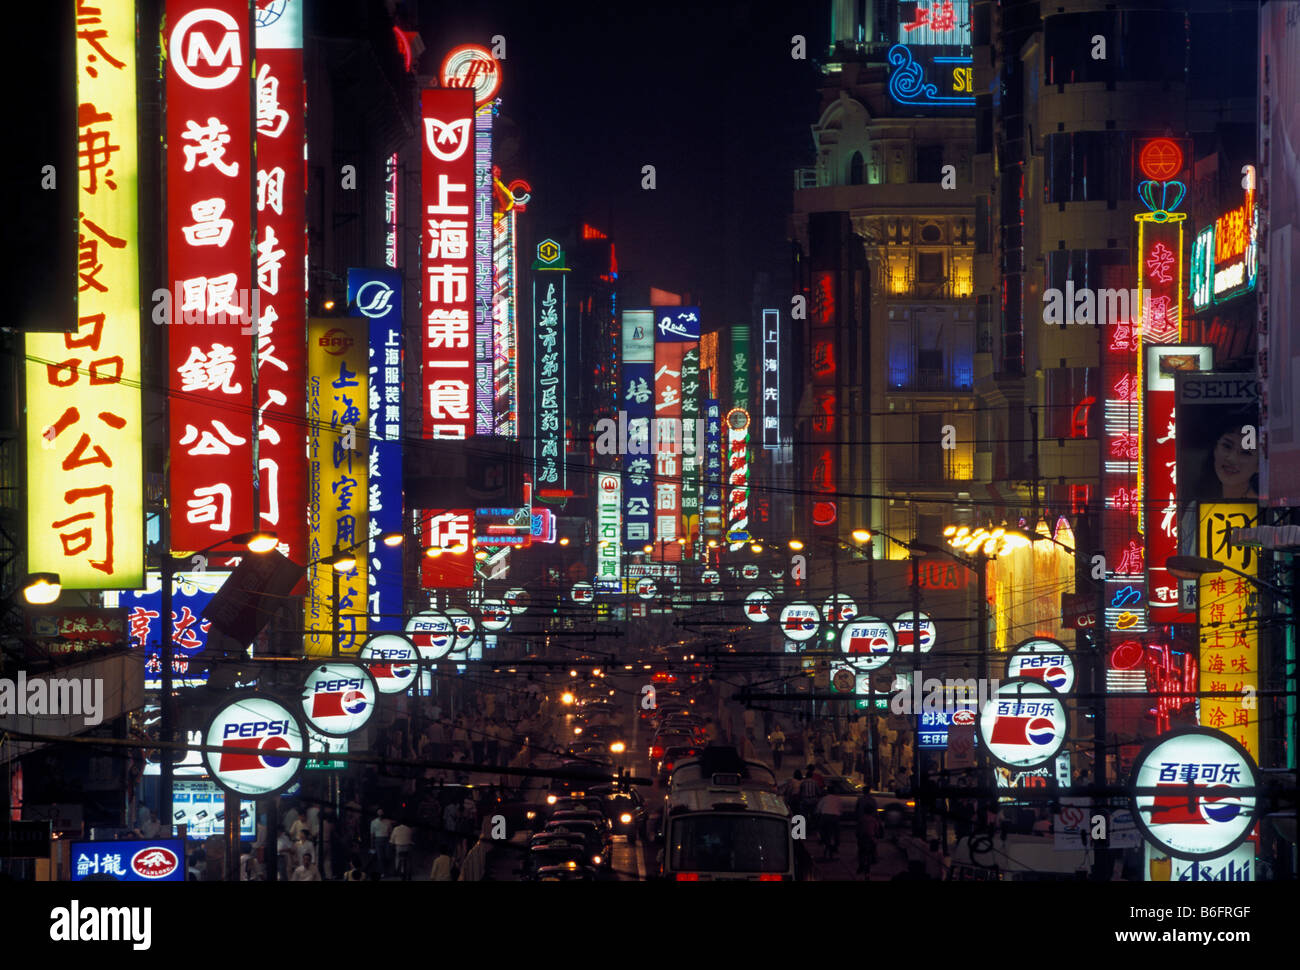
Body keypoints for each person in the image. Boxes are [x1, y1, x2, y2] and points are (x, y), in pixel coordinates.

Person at [857, 805, 884, 876]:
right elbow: (877, 831)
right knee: (872, 851)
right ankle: (873, 860)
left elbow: (858, 830)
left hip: (863, 839)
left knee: (861, 852)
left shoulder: (861, 819)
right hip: (871, 839)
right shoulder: (874, 820)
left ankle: (861, 865)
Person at [816, 791, 840, 860]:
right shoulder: (838, 799)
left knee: (822, 831)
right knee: (836, 833)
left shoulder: (824, 798)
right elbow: (840, 810)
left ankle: (822, 841)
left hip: (825, 817)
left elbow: (818, 809)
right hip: (835, 818)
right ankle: (835, 846)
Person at [369, 808, 393, 877]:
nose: (380, 814)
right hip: (378, 840)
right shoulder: (373, 822)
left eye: (381, 812)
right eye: (379, 812)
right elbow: (372, 834)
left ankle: (387, 871)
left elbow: (390, 832)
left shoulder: (388, 821)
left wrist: (391, 841)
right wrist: (372, 845)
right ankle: (383, 872)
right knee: (380, 857)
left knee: (388, 856)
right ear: (377, 813)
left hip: (387, 840)